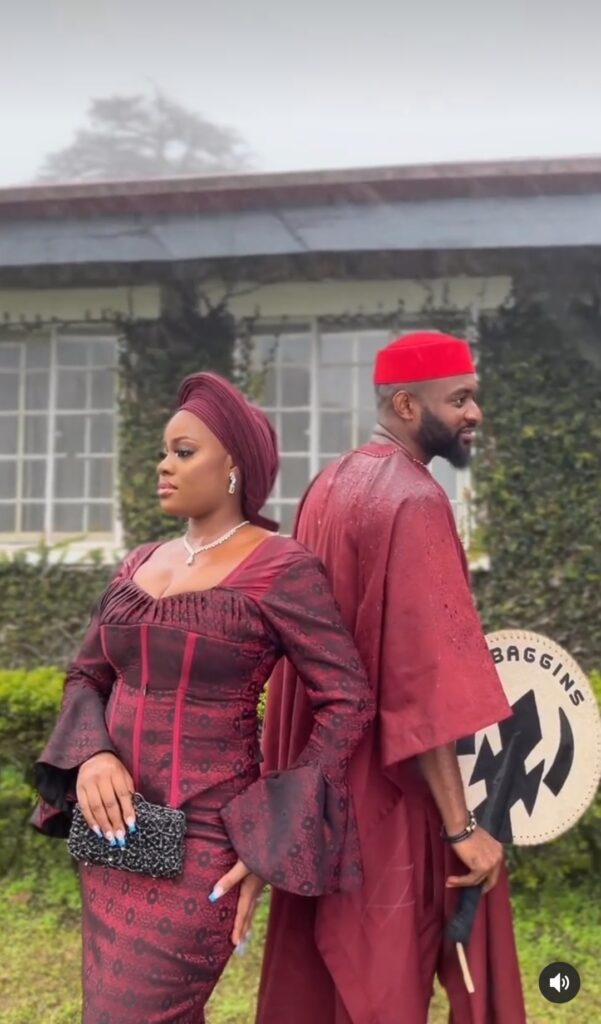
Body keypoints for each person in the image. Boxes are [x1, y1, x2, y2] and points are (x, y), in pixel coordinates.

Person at [33, 372, 375, 1024]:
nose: (163, 464)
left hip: (206, 844)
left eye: (183, 451)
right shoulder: (137, 564)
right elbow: (87, 677)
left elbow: (347, 700)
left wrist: (271, 836)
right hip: (117, 834)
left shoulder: (282, 567)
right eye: (163, 451)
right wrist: (95, 757)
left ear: (233, 469)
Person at [257, 332, 526, 1024]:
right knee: (384, 979)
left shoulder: (328, 485)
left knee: (328, 987)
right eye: (458, 399)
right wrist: (462, 826)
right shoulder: (414, 501)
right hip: (385, 797)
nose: (474, 414)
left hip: (324, 787)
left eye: (474, 398)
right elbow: (420, 684)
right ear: (406, 404)